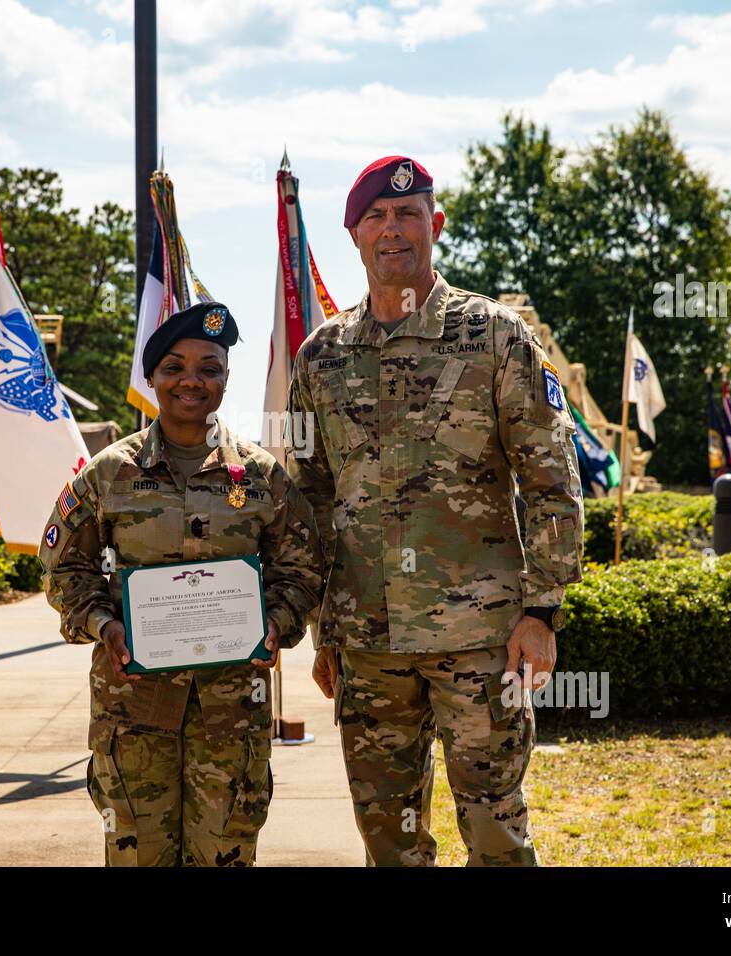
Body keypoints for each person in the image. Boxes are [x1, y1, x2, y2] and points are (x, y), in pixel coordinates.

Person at [286, 155, 584, 866]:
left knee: (496, 835)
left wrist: (542, 613)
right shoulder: (321, 357)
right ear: (354, 235)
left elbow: (552, 480)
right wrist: (325, 628)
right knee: (388, 841)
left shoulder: (496, 337)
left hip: (482, 639)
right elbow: (310, 500)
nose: (393, 230)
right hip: (368, 645)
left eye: (408, 213)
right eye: (377, 218)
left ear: (435, 225)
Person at [39, 301, 324, 867]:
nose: (191, 380)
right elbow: (63, 568)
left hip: (231, 712)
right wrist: (104, 624)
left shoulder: (262, 475)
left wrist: (275, 625)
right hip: (133, 710)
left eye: (209, 367)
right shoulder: (108, 474)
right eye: (174, 366)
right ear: (152, 378)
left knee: (225, 853)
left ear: (225, 379)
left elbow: (302, 569)